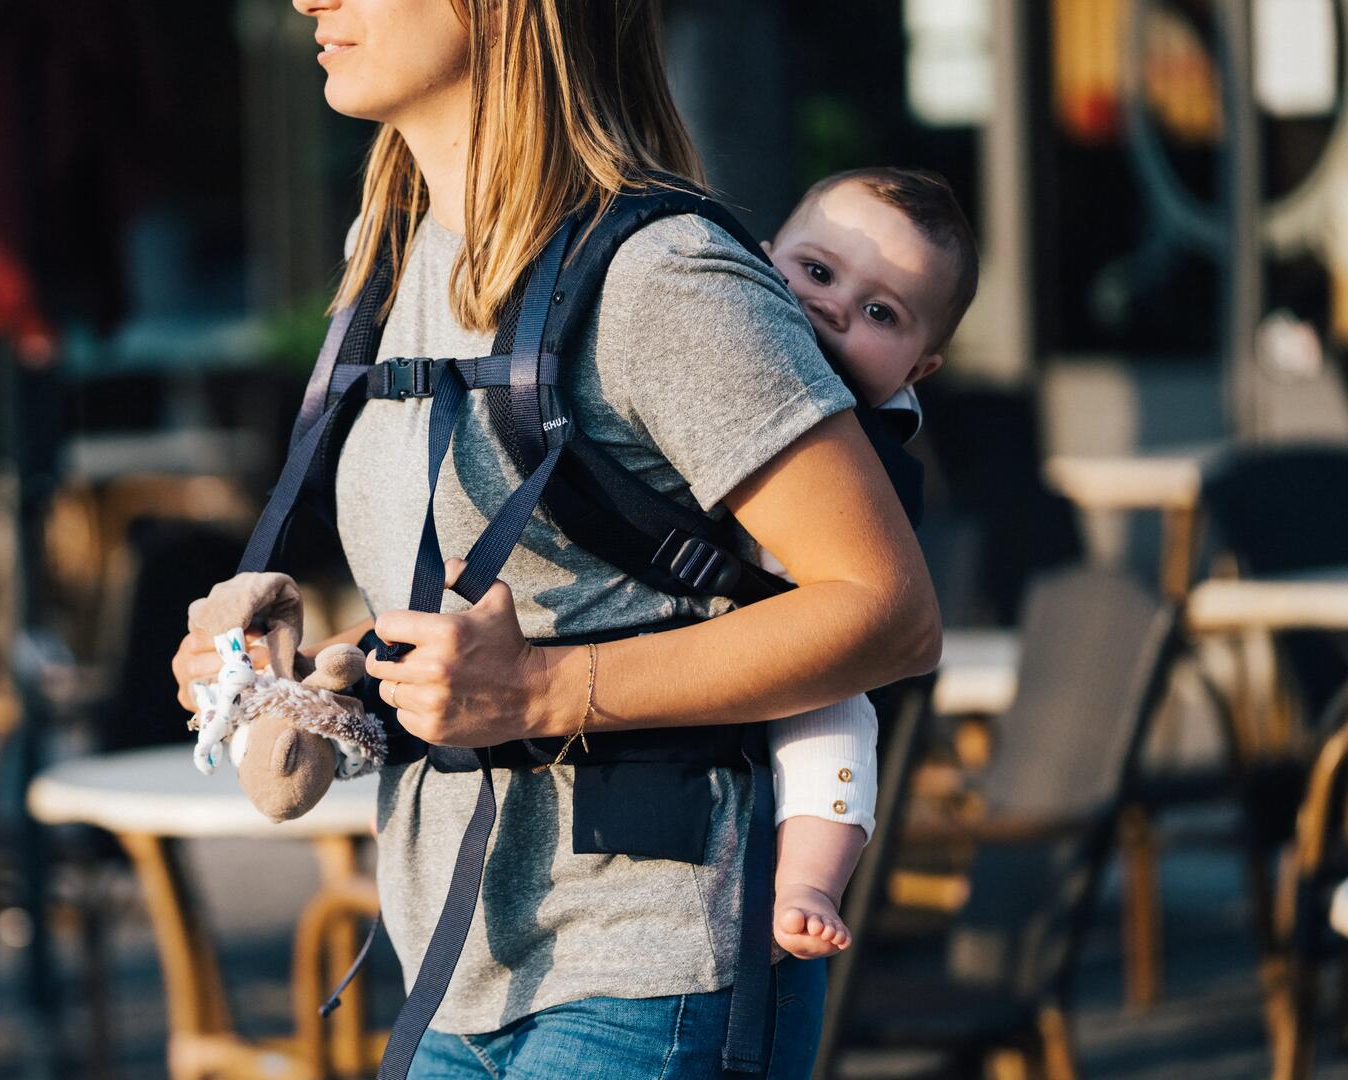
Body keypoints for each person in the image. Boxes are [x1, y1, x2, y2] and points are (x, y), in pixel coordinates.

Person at [172, 2, 940, 1076]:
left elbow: (889, 612)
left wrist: (539, 693)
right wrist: (283, 677)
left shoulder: (665, 277)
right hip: (452, 963)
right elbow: (530, 604)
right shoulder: (387, 266)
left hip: (654, 973)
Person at [757, 166, 979, 960]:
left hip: (793, 646)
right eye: (815, 271)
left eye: (880, 313)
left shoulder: (879, 451)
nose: (832, 306)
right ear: (757, 259)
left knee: (839, 719)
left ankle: (810, 882)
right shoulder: (708, 365)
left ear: (917, 371)